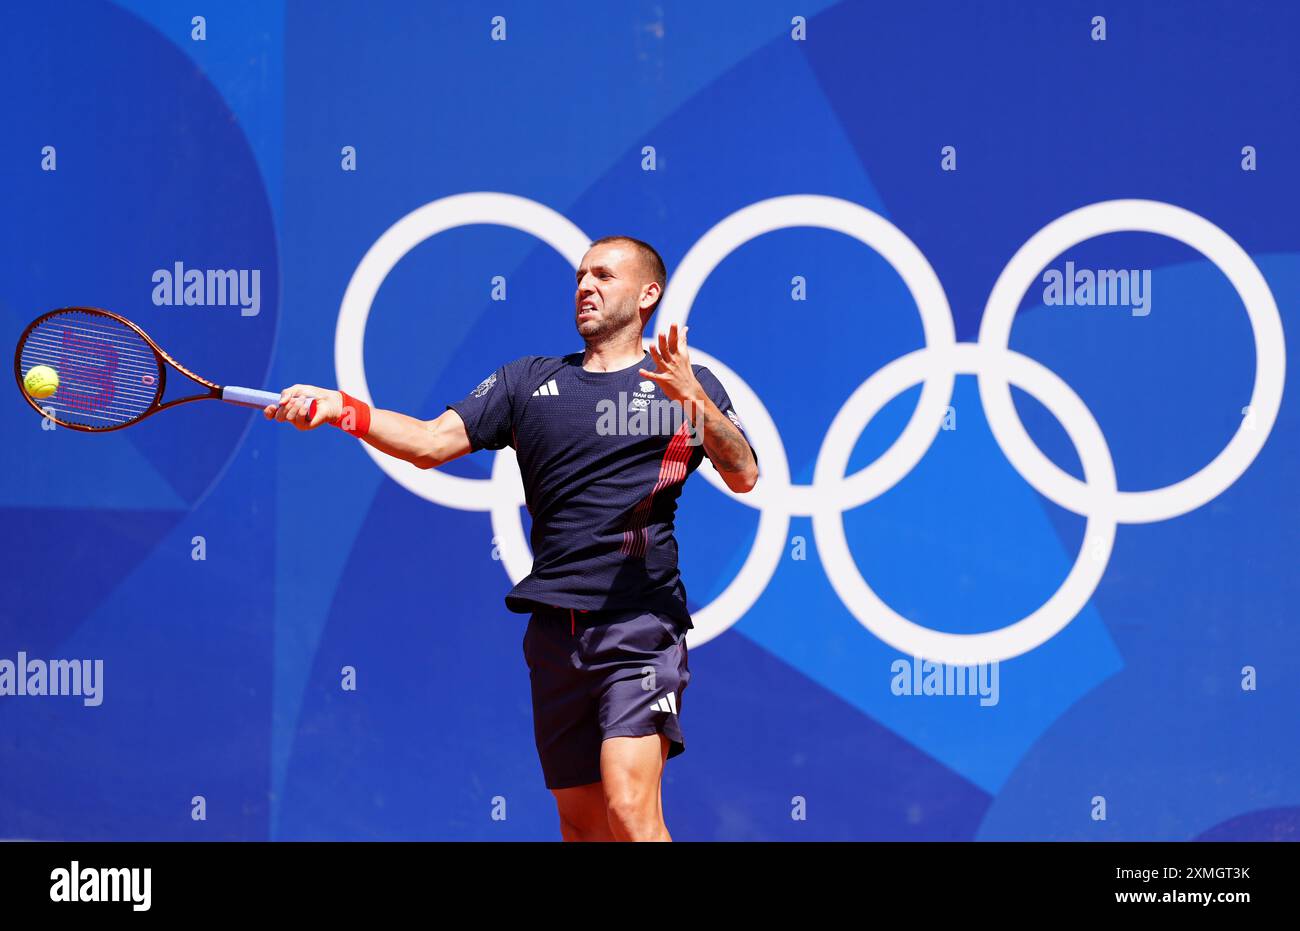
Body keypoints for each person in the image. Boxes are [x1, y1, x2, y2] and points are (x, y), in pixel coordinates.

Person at [266, 235, 759, 841]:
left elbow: (744, 474)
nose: (585, 287)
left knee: (629, 809)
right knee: (582, 826)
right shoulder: (526, 383)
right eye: (580, 276)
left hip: (639, 624)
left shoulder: (685, 386)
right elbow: (428, 443)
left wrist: (698, 407)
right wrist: (343, 408)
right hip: (554, 635)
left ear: (647, 293)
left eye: (604, 275)